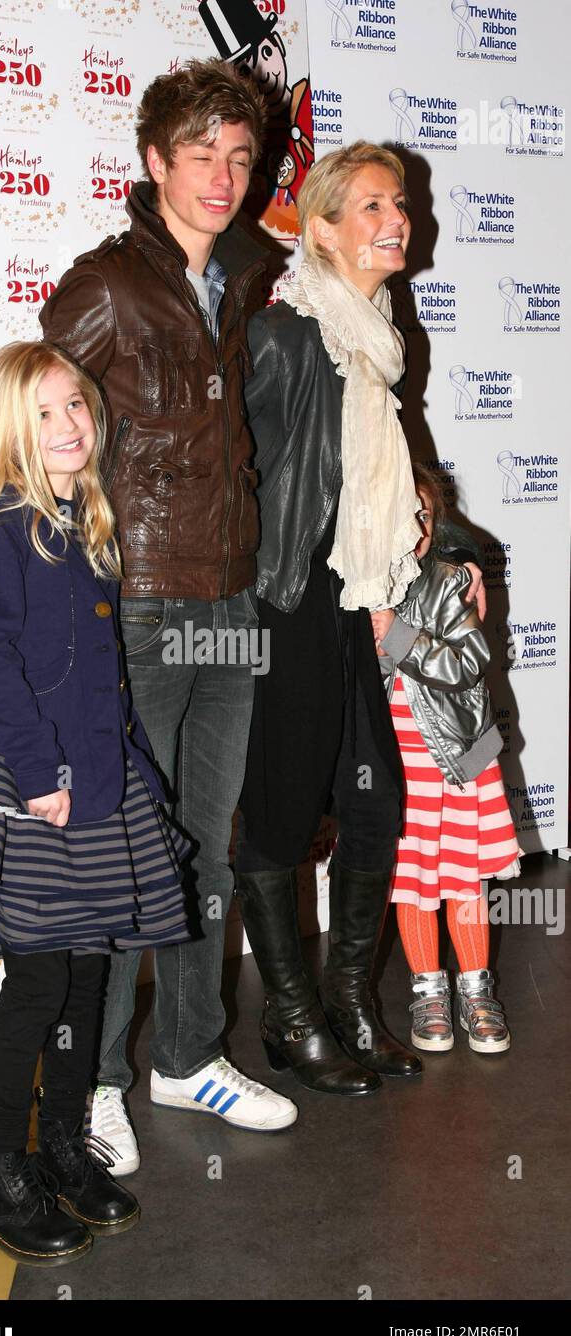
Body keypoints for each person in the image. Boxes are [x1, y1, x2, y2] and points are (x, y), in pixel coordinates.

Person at [0, 58, 297, 1175]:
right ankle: (92, 1083)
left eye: (240, 157)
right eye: (200, 155)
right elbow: (30, 423)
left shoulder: (238, 277)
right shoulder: (102, 286)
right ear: (153, 163)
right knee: (106, 860)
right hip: (130, 604)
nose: (224, 177)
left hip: (226, 596)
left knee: (202, 849)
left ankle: (185, 1055)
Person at [0, 341, 195, 1266]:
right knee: (36, 988)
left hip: (98, 786)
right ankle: (0, 1175)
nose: (69, 426)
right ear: (6, 428)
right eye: (44, 413)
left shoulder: (86, 528)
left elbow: (100, 680)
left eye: (76, 406)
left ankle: (64, 1149)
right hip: (31, 790)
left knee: (91, 974)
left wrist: (130, 772)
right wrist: (39, 778)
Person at [234, 142, 487, 1096]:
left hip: (349, 605)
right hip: (290, 603)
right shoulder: (290, 334)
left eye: (403, 204)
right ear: (325, 227)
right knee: (283, 816)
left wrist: (452, 547)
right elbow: (251, 481)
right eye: (375, 204)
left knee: (375, 805)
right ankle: (290, 1019)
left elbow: (391, 481)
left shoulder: (371, 336)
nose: (398, 219)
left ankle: (347, 1004)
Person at [374, 462, 518, 1054]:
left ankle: (476, 988)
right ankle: (428, 989)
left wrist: (399, 638)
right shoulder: (362, 589)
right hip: (400, 765)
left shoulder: (448, 582)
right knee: (413, 882)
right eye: (398, 513)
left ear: (436, 524)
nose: (410, 527)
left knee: (463, 877)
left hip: (458, 763)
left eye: (423, 516)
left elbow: (466, 664)